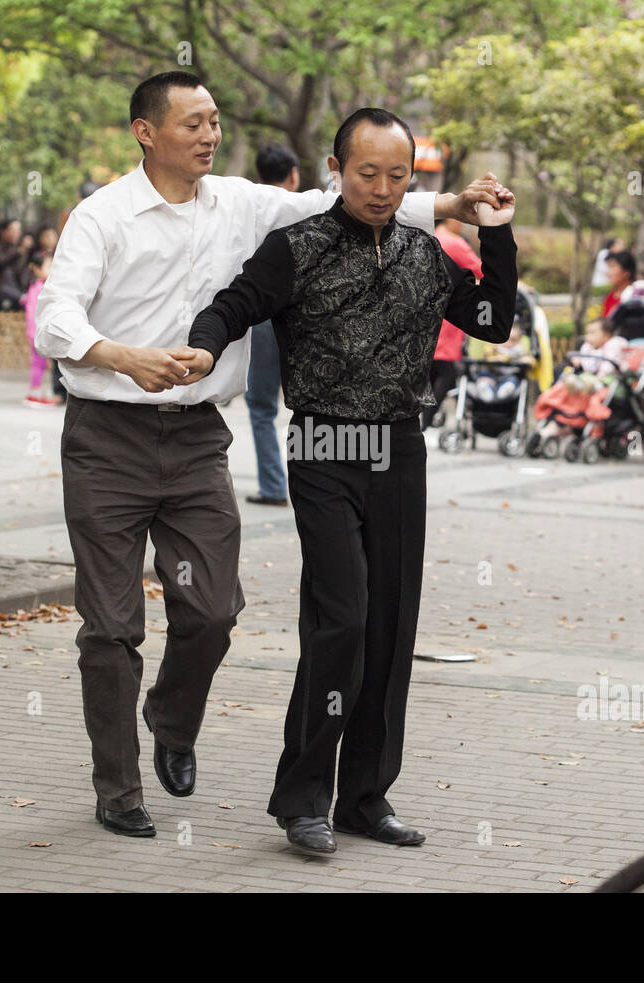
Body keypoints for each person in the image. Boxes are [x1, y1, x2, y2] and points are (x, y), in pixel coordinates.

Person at [33, 71, 506, 841]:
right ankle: (118, 786)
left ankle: (172, 716)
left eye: (214, 120)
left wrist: (450, 206)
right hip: (108, 435)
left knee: (215, 611)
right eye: (192, 122)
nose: (209, 134)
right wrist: (120, 356)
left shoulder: (243, 205)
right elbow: (55, 314)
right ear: (146, 132)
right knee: (112, 626)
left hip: (194, 441)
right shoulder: (102, 216)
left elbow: (340, 199)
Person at [184, 107, 518, 857]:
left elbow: (492, 318)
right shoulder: (295, 247)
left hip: (398, 450)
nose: (382, 187)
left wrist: (494, 232)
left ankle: (367, 796)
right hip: (325, 445)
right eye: (367, 172)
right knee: (343, 618)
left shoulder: (426, 254)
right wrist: (204, 352)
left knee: (391, 625)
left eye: (398, 175)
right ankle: (303, 797)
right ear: (337, 169)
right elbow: (231, 308)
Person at [244, 145, 301, 507]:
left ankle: (274, 486)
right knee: (311, 406)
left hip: (264, 318)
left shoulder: (251, 209)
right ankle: (314, 484)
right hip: (305, 317)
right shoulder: (309, 209)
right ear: (293, 174)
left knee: (262, 407)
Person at [425, 217, 482, 429]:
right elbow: (481, 270)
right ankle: (426, 421)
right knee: (447, 374)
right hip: (447, 319)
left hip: (423, 317)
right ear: (450, 219)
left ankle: (422, 420)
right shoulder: (454, 242)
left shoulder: (425, 238)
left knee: (428, 372)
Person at [22, 251, 58, 406]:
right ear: (37, 269)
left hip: (37, 331)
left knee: (40, 364)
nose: (52, 269)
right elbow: (33, 314)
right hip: (37, 332)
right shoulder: (39, 288)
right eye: (49, 266)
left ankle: (36, 391)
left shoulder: (38, 287)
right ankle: (34, 392)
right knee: (39, 363)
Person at [601, 248, 636, 320]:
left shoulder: (634, 297)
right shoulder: (611, 296)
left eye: (612, 267)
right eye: (608, 267)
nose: (608, 273)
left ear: (627, 272)